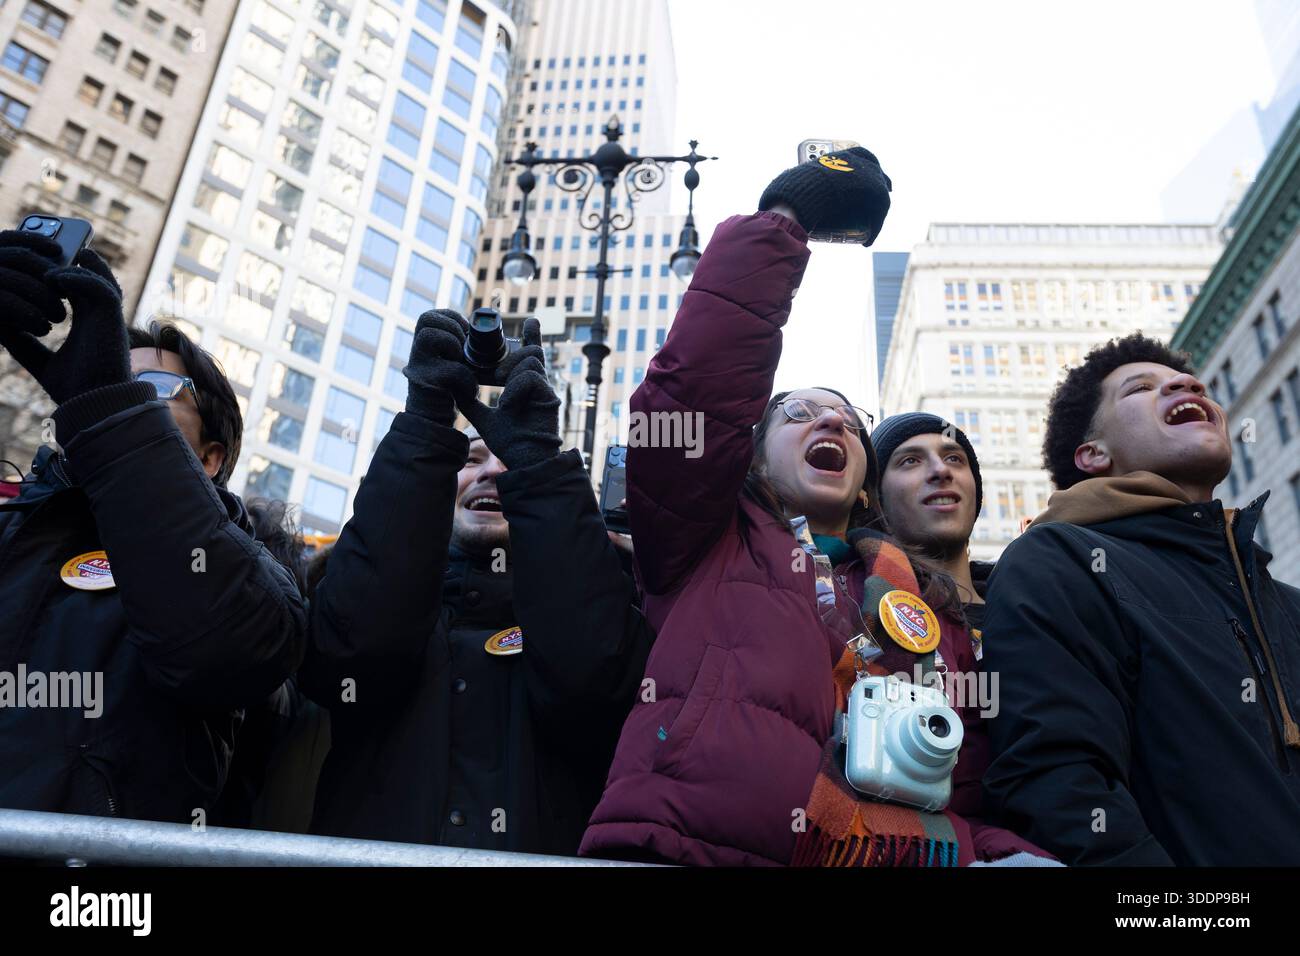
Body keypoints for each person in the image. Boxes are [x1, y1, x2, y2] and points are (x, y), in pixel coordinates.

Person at [580, 149, 1051, 867]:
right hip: (687, 850)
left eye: (845, 421)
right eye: (798, 414)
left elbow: (959, 795)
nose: (829, 423)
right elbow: (692, 396)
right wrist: (783, 222)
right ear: (754, 458)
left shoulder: (928, 612)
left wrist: (1004, 854)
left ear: (863, 486)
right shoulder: (705, 541)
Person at [300, 311, 654, 855]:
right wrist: (425, 422)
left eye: (507, 459)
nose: (491, 472)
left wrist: (538, 457)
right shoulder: (378, 580)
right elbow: (349, 652)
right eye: (468, 459)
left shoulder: (592, 594)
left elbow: (596, 685)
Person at [0, 231, 306, 823]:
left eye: (152, 392)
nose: (117, 390)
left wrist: (113, 412)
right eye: (112, 376)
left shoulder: (251, 563)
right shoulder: (12, 526)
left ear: (213, 458)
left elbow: (235, 653)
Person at [982, 332, 1300, 865]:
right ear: (1092, 454)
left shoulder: (1286, 603)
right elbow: (1056, 781)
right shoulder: (1057, 560)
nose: (1187, 383)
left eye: (1190, 382)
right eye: (1140, 388)